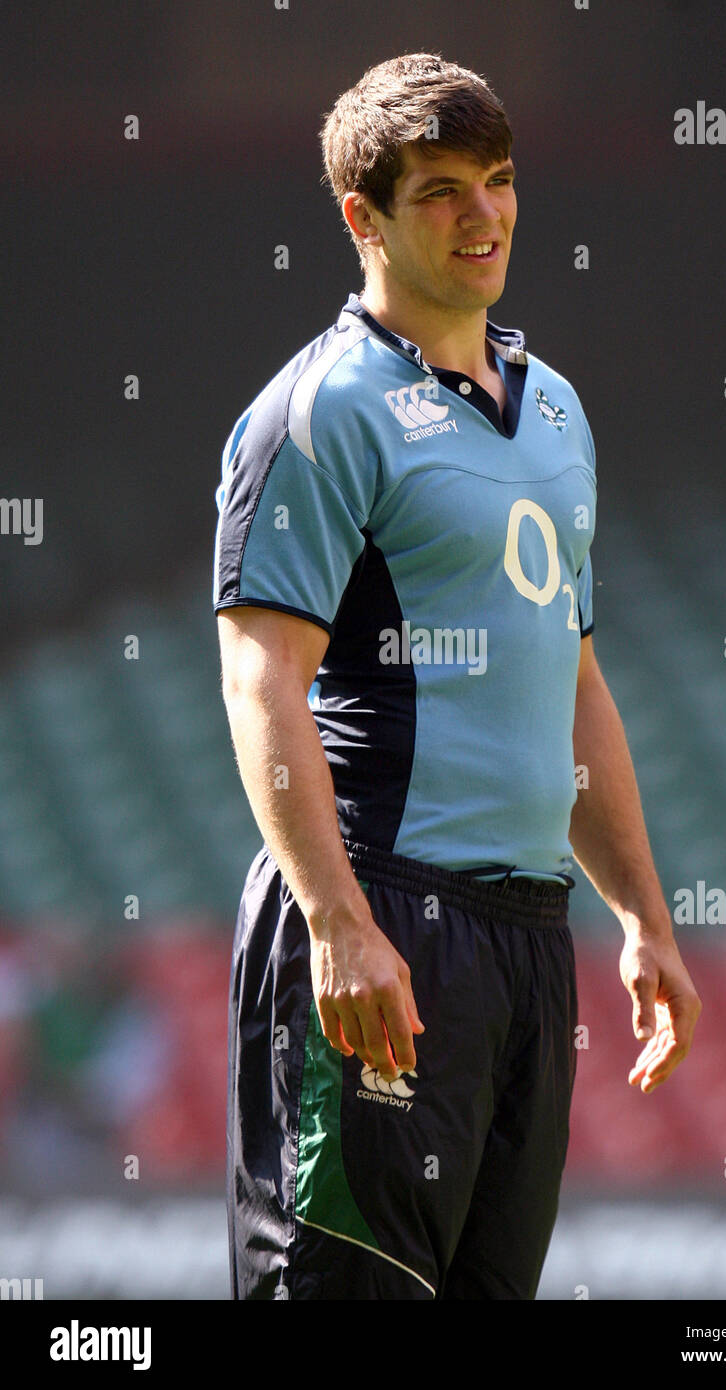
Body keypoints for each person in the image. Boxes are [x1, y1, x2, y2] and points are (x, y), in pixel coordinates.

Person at [213, 52, 701, 1301]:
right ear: (359, 218)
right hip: (382, 914)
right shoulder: (316, 414)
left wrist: (642, 916)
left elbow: (573, 684)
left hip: (530, 949)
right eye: (437, 190)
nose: (480, 214)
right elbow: (261, 680)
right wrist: (335, 924)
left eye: (496, 180)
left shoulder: (556, 415)